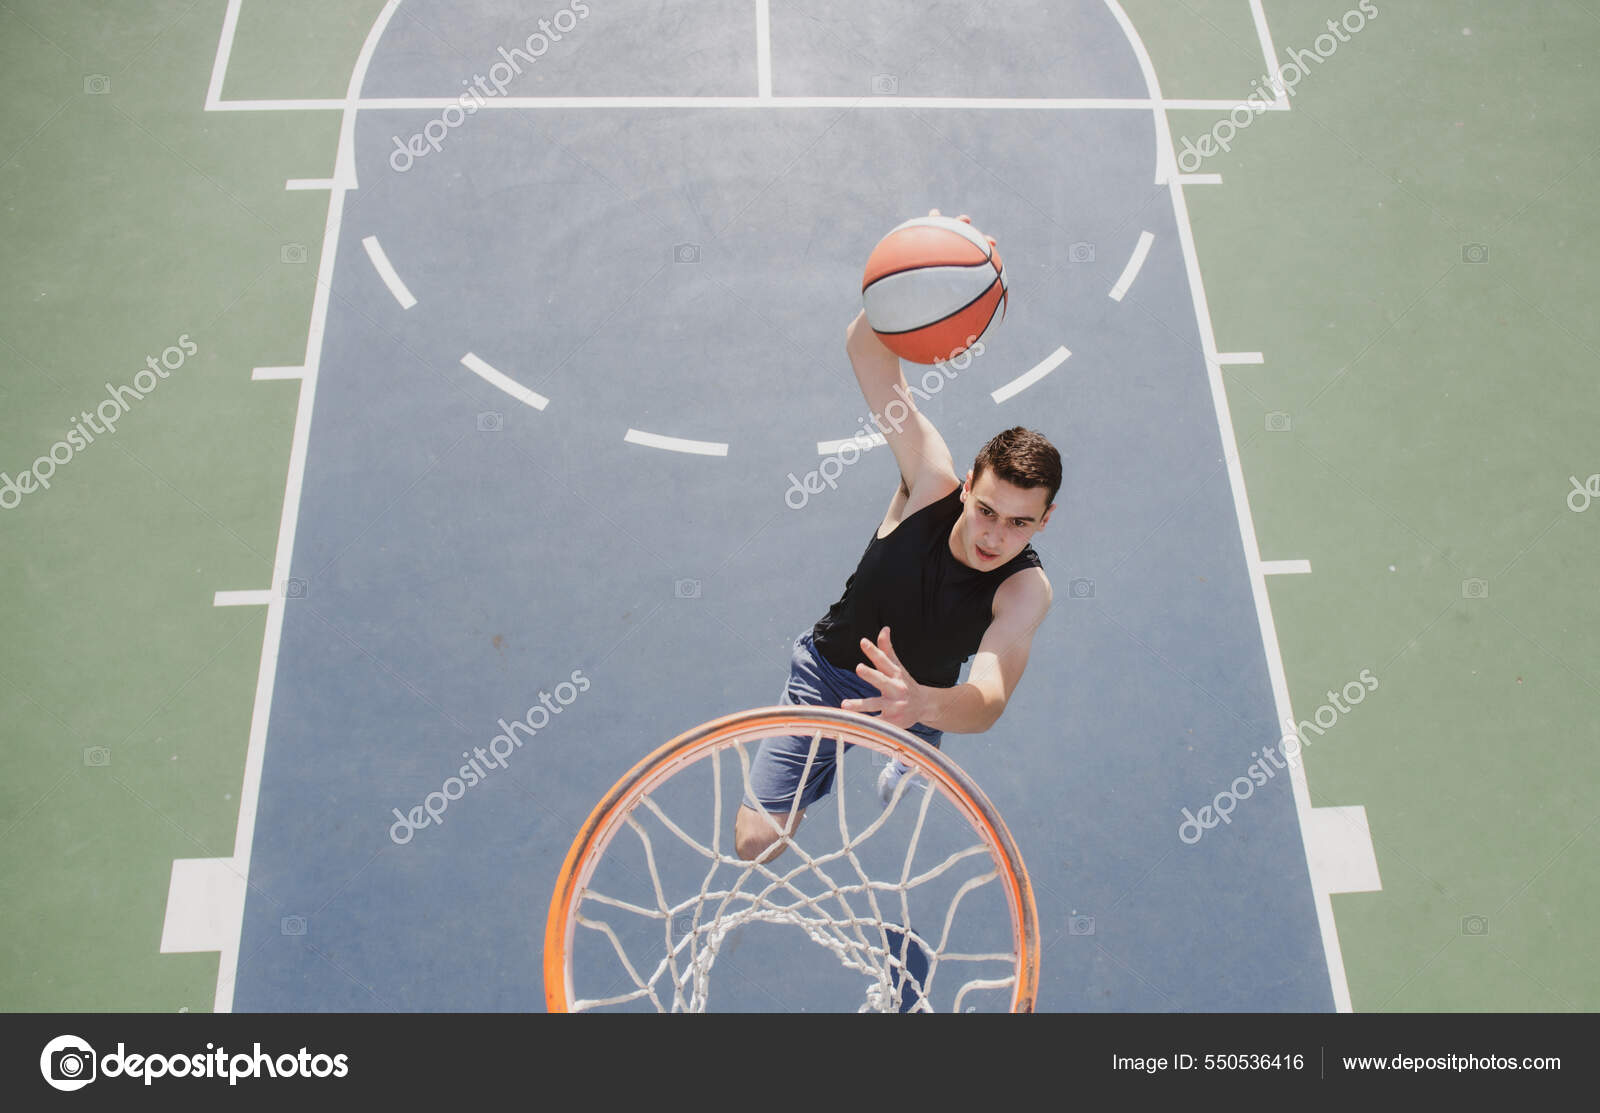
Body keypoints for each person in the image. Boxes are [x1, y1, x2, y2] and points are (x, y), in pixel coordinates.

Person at [735, 220, 1060, 862]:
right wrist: (921, 254)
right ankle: (892, 739)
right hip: (831, 673)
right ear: (968, 486)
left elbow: (987, 700)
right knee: (756, 843)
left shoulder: (1025, 590)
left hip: (924, 698)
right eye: (989, 509)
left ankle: (905, 750)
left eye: (1020, 523)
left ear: (1043, 523)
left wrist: (919, 704)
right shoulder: (929, 480)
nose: (997, 535)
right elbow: (868, 352)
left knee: (927, 719)